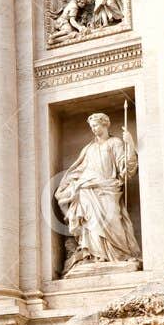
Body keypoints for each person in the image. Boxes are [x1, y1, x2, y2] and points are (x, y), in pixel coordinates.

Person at [56, 113, 140, 269]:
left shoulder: (115, 143)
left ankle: (121, 254)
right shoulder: (89, 149)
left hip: (108, 188)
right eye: (92, 127)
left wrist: (130, 145)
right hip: (87, 189)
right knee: (91, 223)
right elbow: (79, 169)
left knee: (113, 219)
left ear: (105, 124)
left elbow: (127, 169)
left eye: (96, 125)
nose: (94, 129)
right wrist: (70, 183)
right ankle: (96, 255)